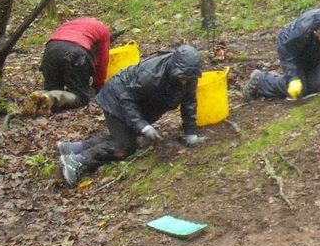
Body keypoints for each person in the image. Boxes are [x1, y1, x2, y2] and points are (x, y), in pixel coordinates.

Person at [57, 45, 204, 186]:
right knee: (125, 146)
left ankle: (72, 148)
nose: (185, 81)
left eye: (188, 78)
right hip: (117, 98)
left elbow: (189, 103)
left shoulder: (189, 78)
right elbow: (126, 100)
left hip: (137, 104)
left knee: (124, 137)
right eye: (182, 76)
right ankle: (77, 161)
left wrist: (191, 133)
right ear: (174, 68)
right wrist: (142, 125)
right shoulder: (151, 75)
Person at [243, 5, 320, 100]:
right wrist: (293, 78)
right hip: (293, 50)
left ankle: (301, 78)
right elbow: (287, 53)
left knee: (316, 87)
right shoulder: (303, 28)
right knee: (300, 90)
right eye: (318, 34)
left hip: (315, 55)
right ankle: (261, 80)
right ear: (315, 28)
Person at [29, 17, 112, 112]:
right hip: (75, 51)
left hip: (51, 49)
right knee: (81, 97)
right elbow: (102, 60)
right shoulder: (103, 30)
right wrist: (98, 84)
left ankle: (40, 97)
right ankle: (52, 96)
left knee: (52, 87)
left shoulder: (70, 23)